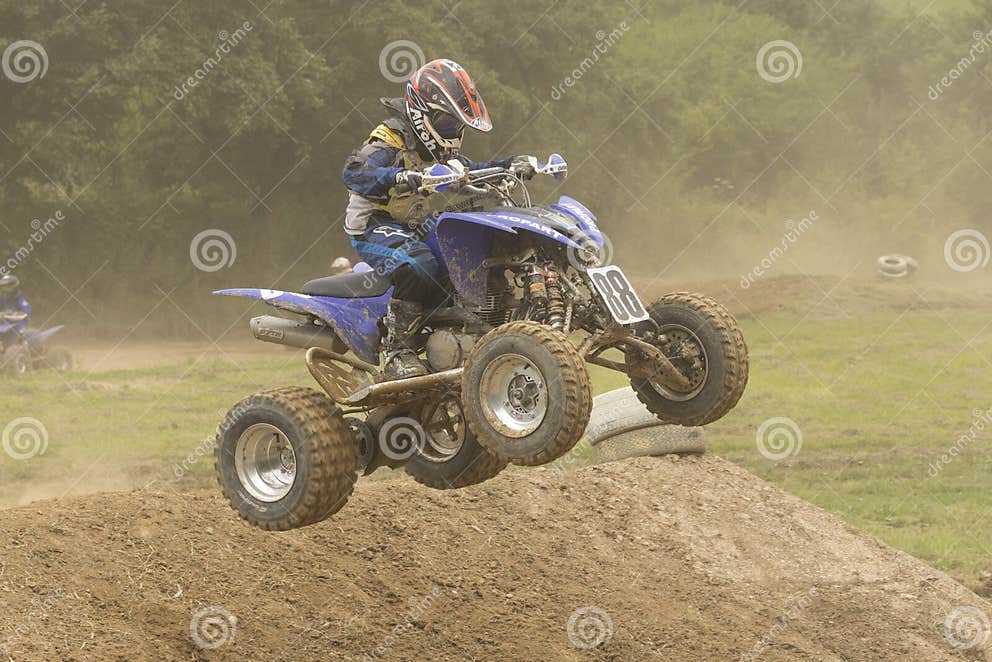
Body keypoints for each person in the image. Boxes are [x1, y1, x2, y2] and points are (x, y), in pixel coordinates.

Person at [341, 58, 535, 379]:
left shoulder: (437, 150)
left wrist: (509, 165)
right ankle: (397, 352)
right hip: (374, 225)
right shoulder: (389, 139)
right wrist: (400, 177)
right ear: (422, 114)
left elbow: (469, 170)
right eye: (446, 122)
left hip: (414, 224)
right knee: (418, 264)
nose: (452, 131)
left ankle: (466, 330)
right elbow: (354, 171)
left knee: (466, 248)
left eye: (457, 125)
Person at [0, 274, 30, 348]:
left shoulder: (19, 298)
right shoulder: (2, 298)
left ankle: (24, 346)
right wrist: (2, 313)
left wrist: (16, 313)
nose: (4, 290)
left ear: (14, 287)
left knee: (21, 335)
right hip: (4, 323)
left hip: (18, 323)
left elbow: (27, 309)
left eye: (7, 287)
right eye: (3, 287)